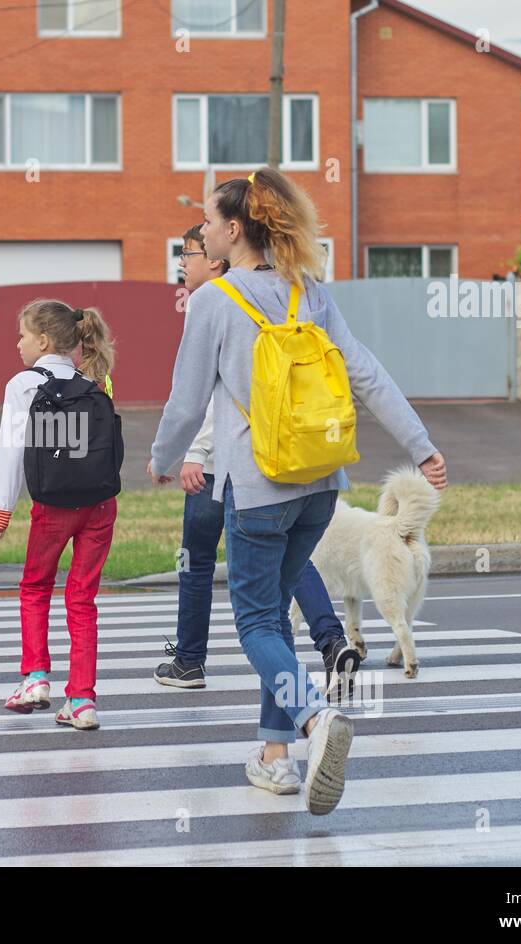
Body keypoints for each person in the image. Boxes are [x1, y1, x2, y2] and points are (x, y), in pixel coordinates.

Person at [148, 169, 448, 815]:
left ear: (233, 230)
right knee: (278, 614)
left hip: (258, 490)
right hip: (322, 489)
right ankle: (275, 760)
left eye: (205, 221)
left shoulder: (213, 302)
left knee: (255, 622)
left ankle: (314, 721)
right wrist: (421, 447)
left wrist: (162, 458)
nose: (200, 230)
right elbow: (365, 371)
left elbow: (184, 400)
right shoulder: (306, 291)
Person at [155, 225, 362, 700]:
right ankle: (327, 646)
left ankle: (192, 661)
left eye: (188, 253)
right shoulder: (276, 297)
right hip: (295, 471)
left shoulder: (215, 303)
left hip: (223, 468)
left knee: (203, 569)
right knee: (283, 570)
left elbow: (205, 401)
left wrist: (187, 455)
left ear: (216, 258)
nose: (182, 265)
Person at [0, 299, 119, 730]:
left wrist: (2, 508)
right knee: (82, 600)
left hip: (52, 508)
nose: (18, 343)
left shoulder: (22, 385)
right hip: (100, 507)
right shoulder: (92, 382)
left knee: (36, 587)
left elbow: (10, 452)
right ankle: (82, 701)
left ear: (43, 340)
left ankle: (36, 677)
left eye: (23, 335)